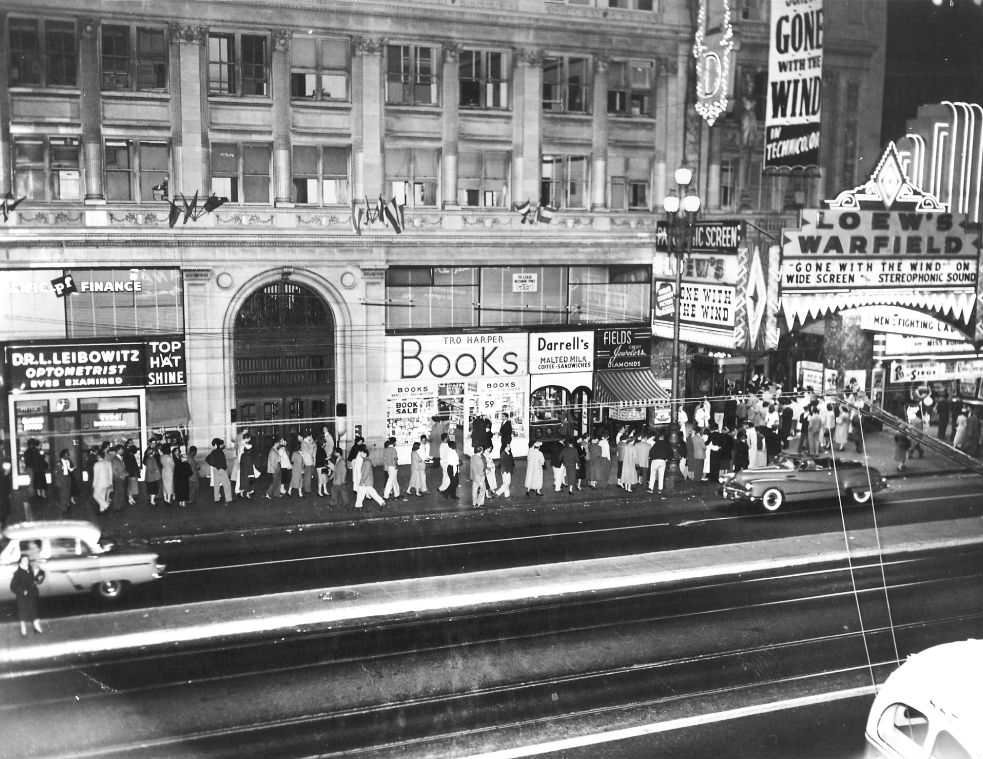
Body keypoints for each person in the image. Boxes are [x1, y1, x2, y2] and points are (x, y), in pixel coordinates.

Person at [10, 555, 45, 636]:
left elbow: (39, 578)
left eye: (27, 560)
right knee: (23, 612)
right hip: (22, 597)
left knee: (34, 610)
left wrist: (39, 576)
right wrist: (22, 591)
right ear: (20, 562)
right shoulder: (17, 573)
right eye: (24, 560)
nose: (26, 561)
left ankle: (36, 627)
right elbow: (13, 587)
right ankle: (23, 628)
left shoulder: (31, 570)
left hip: (33, 594)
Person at [206, 438, 233, 505]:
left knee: (216, 484)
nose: (223, 445)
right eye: (222, 444)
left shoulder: (214, 452)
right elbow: (222, 462)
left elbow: (207, 459)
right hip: (221, 470)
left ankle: (216, 498)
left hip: (215, 470)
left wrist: (214, 465)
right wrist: (220, 467)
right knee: (227, 484)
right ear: (220, 445)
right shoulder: (220, 452)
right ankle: (228, 499)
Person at [53, 449, 75, 515]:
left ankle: (66, 504)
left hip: (67, 478)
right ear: (63, 454)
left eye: (68, 454)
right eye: (67, 453)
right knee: (63, 493)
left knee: (67, 492)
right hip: (62, 479)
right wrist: (59, 480)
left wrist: (72, 469)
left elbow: (69, 469)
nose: (68, 455)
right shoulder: (59, 462)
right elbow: (55, 472)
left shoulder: (68, 461)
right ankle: (63, 507)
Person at [109, 445, 127, 512]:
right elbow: (114, 470)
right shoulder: (115, 459)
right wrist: (120, 476)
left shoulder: (121, 458)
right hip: (118, 478)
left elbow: (123, 467)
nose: (123, 451)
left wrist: (125, 474)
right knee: (118, 493)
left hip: (122, 477)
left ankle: (120, 506)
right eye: (121, 449)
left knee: (121, 492)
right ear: (118, 450)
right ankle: (117, 507)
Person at [143, 440, 162, 506]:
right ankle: (152, 498)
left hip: (156, 468)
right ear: (150, 443)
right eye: (153, 443)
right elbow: (144, 461)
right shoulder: (148, 451)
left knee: (156, 484)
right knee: (152, 485)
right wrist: (152, 468)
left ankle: (155, 497)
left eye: (155, 443)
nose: (154, 444)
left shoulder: (156, 450)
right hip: (153, 471)